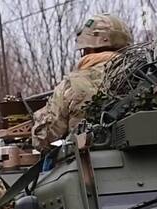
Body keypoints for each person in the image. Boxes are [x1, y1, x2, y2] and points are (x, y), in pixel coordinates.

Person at [31, 13, 131, 150]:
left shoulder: (71, 85)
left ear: (89, 49)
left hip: (90, 165)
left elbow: (43, 138)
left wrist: (40, 118)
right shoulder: (146, 75)